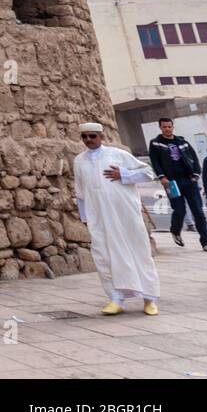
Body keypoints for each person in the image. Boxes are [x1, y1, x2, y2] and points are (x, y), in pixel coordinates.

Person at [73, 122, 161, 316]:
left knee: (138, 252)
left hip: (125, 216)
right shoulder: (79, 160)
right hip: (99, 218)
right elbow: (80, 192)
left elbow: (148, 173)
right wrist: (85, 217)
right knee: (104, 256)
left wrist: (123, 174)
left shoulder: (117, 155)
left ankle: (150, 299)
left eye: (92, 136)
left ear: (101, 136)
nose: (88, 140)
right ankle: (115, 298)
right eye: (84, 136)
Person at [147, 118, 207, 251]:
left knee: (198, 212)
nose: (167, 129)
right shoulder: (156, 144)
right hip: (171, 183)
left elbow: (194, 159)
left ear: (173, 127)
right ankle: (175, 231)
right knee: (180, 210)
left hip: (189, 181)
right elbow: (155, 162)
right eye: (164, 127)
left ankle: (206, 242)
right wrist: (162, 177)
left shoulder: (183, 142)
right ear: (160, 128)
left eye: (169, 126)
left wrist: (196, 175)